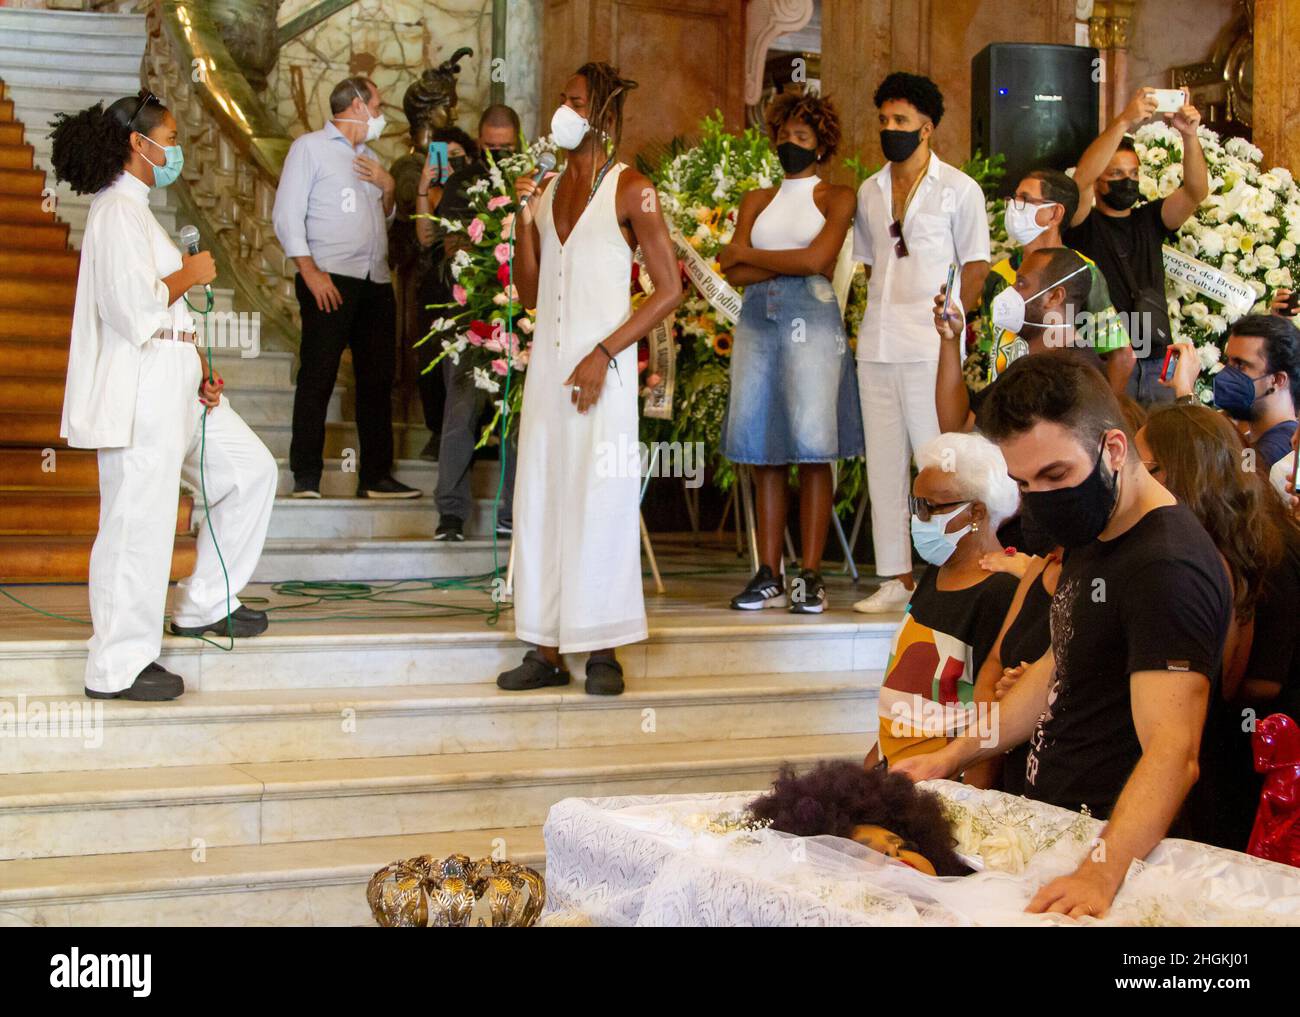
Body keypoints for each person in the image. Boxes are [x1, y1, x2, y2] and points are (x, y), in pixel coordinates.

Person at [893, 353, 1231, 919]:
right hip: (1057, 834)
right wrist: (947, 758)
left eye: (1056, 476)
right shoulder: (1093, 526)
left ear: (1114, 450)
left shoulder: (1166, 567)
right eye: (1025, 482)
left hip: (1122, 857)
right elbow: (1056, 668)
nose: (1043, 497)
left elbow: (1174, 753)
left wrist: (1101, 870)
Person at [50, 92, 277, 701]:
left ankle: (204, 603)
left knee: (250, 470)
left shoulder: (139, 210)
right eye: (170, 138)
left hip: (176, 376)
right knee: (138, 521)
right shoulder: (114, 211)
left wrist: (201, 362)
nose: (176, 149)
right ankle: (117, 666)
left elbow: (166, 307)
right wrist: (192, 273)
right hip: (141, 382)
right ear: (137, 143)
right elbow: (132, 309)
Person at [496, 63, 683, 696]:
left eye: (575, 101)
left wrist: (604, 353)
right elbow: (527, 291)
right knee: (542, 497)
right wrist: (523, 220)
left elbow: (669, 290)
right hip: (549, 374)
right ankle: (545, 648)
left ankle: (602, 646)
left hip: (603, 372)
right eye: (562, 98)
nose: (562, 110)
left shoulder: (632, 188)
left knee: (598, 500)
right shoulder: (547, 190)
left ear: (601, 114)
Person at [851, 72, 991, 613]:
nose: (890, 129)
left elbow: (975, 267)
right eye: (884, 120)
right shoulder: (870, 190)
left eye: (902, 121)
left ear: (927, 128)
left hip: (933, 347)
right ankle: (895, 578)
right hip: (877, 343)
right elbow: (870, 265)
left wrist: (955, 316)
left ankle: (949, 572)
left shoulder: (959, 189)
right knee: (883, 462)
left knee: (936, 459)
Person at [717, 91, 862, 613]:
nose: (789, 144)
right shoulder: (756, 198)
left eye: (801, 137)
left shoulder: (837, 196)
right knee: (763, 448)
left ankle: (811, 574)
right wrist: (787, 262)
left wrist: (753, 256)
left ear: (821, 143)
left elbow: (820, 259)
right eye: (784, 135)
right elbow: (730, 271)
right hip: (757, 318)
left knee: (813, 448)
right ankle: (768, 572)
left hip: (814, 319)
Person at [1137, 404, 1300, 850]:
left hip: (1247, 756)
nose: (1131, 480)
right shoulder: (1192, 539)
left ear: (1180, 470)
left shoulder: (1273, 546)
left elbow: (1263, 684)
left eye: (1143, 467)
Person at [272, 76, 420, 500]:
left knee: (377, 382)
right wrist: (310, 272)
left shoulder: (371, 157)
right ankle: (306, 477)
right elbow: (286, 215)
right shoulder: (310, 148)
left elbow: (384, 220)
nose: (381, 112)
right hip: (329, 279)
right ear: (357, 105)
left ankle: (375, 476)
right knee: (317, 376)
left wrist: (388, 187)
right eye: (378, 104)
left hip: (374, 281)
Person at [867, 432, 1020, 767]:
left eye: (930, 508)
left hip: (945, 781)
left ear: (977, 512)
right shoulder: (936, 572)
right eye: (915, 505)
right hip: (891, 769)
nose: (918, 518)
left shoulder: (1000, 592)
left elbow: (990, 717)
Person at [1065, 87, 1209, 405]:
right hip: (1108, 359)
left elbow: (1196, 191)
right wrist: (1124, 121)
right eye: (1115, 174)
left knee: (1160, 448)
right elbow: (1081, 183)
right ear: (1101, 181)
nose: (1126, 181)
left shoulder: (1150, 219)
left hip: (1158, 359)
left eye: (1133, 174)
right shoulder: (1083, 225)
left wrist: (1189, 136)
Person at [422, 105, 523, 541]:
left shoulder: (534, 181)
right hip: (464, 313)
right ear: (480, 142)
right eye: (491, 148)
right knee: (460, 415)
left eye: (507, 149)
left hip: (518, 317)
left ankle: (513, 511)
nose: (498, 155)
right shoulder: (464, 180)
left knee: (517, 417)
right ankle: (451, 514)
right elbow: (446, 242)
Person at [968, 169, 1135, 397]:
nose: (1014, 206)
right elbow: (993, 354)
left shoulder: (1081, 271)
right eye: (1014, 198)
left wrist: (1101, 413)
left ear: (1055, 213)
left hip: (1058, 405)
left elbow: (1121, 355)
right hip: (1006, 408)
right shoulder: (997, 276)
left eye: (1025, 199)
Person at [935, 246, 1097, 433]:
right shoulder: (1031, 367)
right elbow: (959, 426)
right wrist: (950, 339)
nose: (1010, 292)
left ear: (1054, 297)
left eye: (1021, 283)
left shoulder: (1066, 377)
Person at [393, 123, 476, 459]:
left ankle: (466, 434)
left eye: (458, 156)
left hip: (470, 284)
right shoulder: (434, 192)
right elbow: (425, 236)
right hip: (434, 286)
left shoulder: (476, 188)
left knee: (466, 363)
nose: (452, 163)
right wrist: (426, 184)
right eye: (445, 156)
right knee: (430, 358)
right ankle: (436, 431)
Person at [1159, 315, 1298, 472]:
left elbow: (1226, 483)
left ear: (1277, 380)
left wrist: (1186, 394)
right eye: (1228, 362)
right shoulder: (1245, 430)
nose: (1227, 374)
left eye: (1240, 365)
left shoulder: (1283, 446)